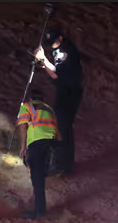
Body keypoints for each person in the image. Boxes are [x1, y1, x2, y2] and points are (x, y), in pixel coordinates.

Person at [34, 25, 83, 176]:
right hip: (68, 90)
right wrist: (45, 62)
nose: (53, 46)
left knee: (59, 127)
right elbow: (57, 69)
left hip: (69, 93)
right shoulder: (61, 47)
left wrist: (43, 60)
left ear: (60, 38)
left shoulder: (64, 51)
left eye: (54, 43)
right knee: (64, 128)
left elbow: (56, 76)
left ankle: (58, 165)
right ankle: (66, 166)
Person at [16, 89, 60, 219]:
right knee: (39, 174)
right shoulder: (48, 108)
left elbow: (22, 127)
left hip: (37, 141)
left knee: (37, 177)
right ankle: (39, 206)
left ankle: (39, 212)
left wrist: (23, 146)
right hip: (50, 142)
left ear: (30, 99)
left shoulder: (26, 106)